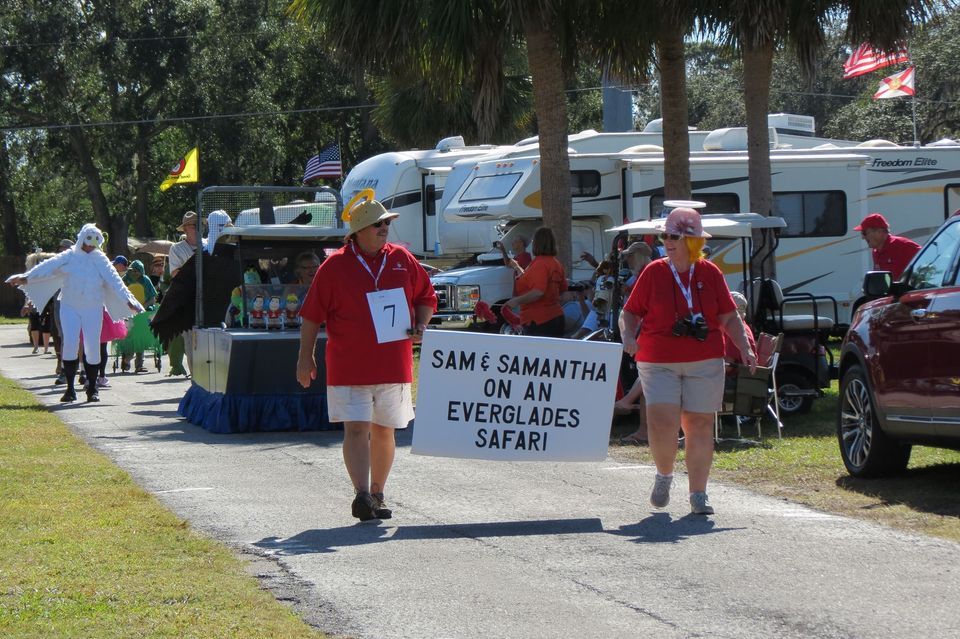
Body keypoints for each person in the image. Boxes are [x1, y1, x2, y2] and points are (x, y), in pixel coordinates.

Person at [296, 197, 436, 522]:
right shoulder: (334, 266)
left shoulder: (401, 258)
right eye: (378, 223)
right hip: (349, 366)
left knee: (385, 431)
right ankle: (360, 494)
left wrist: (422, 323)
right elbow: (311, 317)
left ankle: (377, 493)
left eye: (387, 222)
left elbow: (426, 297)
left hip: (393, 364)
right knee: (356, 429)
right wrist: (306, 358)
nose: (385, 228)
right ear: (359, 230)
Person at [619, 207, 756, 515]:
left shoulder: (710, 272)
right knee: (663, 420)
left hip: (704, 357)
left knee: (699, 423)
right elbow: (629, 312)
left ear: (692, 241)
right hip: (658, 359)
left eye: (674, 236)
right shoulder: (654, 271)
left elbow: (729, 316)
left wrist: (744, 346)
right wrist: (628, 337)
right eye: (665, 235)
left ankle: (698, 494)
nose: (667, 241)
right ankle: (664, 475)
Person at [5, 223, 143, 403]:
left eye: (96, 240)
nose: (91, 244)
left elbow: (115, 281)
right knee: (69, 343)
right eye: (88, 239)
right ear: (81, 238)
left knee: (92, 347)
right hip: (69, 306)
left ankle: (92, 388)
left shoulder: (100, 259)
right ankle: (70, 388)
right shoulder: (69, 256)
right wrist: (26, 278)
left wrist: (130, 300)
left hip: (93, 308)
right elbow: (48, 266)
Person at [503, 227, 567, 337]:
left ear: (537, 243)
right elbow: (562, 290)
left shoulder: (540, 264)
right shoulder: (556, 264)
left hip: (539, 321)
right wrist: (518, 268)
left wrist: (516, 301)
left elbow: (538, 292)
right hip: (556, 317)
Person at [166, 211, 200, 376]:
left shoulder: (208, 244)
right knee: (191, 342)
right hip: (187, 302)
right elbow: (175, 273)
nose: (200, 228)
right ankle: (195, 379)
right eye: (195, 225)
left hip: (208, 300)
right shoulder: (177, 249)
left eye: (201, 224)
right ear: (186, 228)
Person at [855, 212, 921, 280]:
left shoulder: (903, 246)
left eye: (864, 233)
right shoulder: (876, 252)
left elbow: (926, 260)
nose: (863, 237)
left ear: (879, 232)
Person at [119, 260, 158, 373]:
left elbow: (152, 298)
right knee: (129, 337)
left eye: (137, 271)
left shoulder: (146, 280)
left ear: (141, 271)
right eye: (132, 271)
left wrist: (142, 307)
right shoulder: (125, 280)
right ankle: (126, 359)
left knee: (140, 336)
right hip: (128, 312)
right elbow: (118, 295)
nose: (134, 273)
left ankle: (139, 364)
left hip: (143, 312)